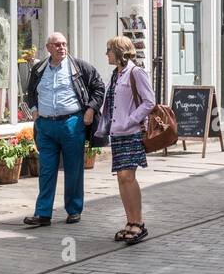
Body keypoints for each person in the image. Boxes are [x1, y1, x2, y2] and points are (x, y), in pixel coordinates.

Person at [24, 32, 106, 227]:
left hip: (71, 123)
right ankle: (43, 213)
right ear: (48, 48)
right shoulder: (39, 69)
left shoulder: (79, 67)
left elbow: (99, 87)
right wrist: (34, 111)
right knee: (46, 170)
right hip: (45, 126)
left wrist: (90, 110)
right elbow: (30, 92)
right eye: (57, 44)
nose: (62, 47)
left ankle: (74, 210)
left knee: (74, 169)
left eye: (64, 44)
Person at [101, 36, 155, 245]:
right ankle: (129, 221)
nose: (106, 54)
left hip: (131, 132)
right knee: (121, 178)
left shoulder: (136, 72)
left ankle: (139, 222)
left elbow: (150, 101)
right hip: (117, 133)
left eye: (109, 50)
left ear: (119, 52)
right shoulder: (115, 75)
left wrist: (130, 120)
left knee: (128, 175)